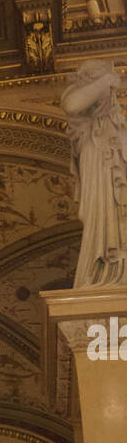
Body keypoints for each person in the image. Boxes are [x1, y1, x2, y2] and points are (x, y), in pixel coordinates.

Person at [61, 60, 127, 287]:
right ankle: (100, 270)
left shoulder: (120, 124)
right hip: (99, 165)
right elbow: (72, 104)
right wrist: (107, 79)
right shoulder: (84, 118)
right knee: (100, 213)